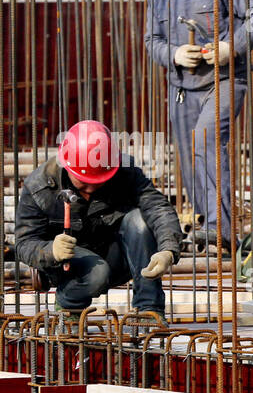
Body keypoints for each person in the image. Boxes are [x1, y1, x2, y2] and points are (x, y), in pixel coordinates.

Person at [140, 0, 253, 253]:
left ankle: (220, 229)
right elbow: (152, 41)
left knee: (205, 138)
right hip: (182, 88)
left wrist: (229, 47)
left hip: (223, 80)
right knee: (190, 156)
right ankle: (210, 226)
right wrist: (175, 54)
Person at [14, 120, 183, 316]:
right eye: (84, 182)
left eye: (99, 181)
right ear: (68, 167)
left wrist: (168, 250)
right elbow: (23, 243)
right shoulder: (39, 186)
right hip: (69, 268)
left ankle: (149, 310)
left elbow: (158, 208)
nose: (91, 188)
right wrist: (51, 251)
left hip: (114, 257)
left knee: (139, 220)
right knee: (97, 272)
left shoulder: (124, 172)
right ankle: (69, 306)